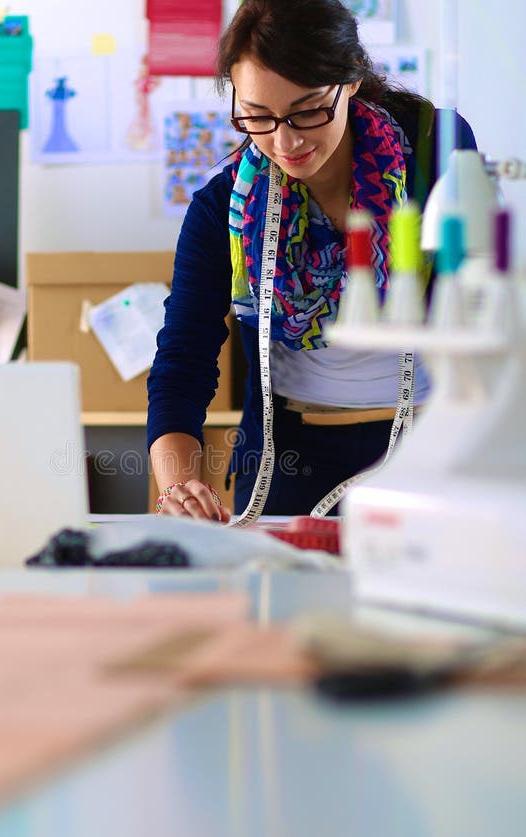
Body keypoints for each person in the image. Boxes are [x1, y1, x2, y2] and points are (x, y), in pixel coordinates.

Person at [147, 0, 476, 522]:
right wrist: (177, 487)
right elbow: (183, 358)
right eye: (257, 116)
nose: (285, 141)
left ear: (351, 79)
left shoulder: (436, 152)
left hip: (429, 444)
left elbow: (479, 296)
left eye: (308, 111)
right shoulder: (225, 211)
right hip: (291, 458)